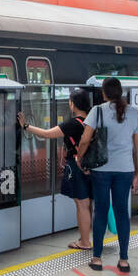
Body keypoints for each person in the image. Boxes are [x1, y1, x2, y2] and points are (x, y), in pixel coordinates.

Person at [76, 77, 138, 273]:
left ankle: (97, 258)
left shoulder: (97, 111)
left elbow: (85, 140)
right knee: (121, 212)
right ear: (121, 91)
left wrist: (79, 158)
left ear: (104, 93)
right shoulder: (133, 113)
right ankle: (123, 260)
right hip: (125, 170)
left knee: (100, 211)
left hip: (101, 170)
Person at [18, 88, 93, 250]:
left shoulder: (73, 124)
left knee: (81, 204)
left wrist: (25, 126)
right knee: (85, 203)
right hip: (92, 166)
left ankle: (85, 242)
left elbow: (46, 134)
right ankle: (85, 238)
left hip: (77, 165)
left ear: (73, 105)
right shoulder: (92, 121)